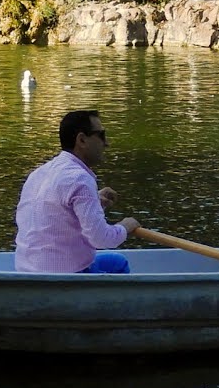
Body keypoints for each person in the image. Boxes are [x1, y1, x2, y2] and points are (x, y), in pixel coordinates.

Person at [15, 109, 138, 273]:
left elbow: (55, 211)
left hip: (27, 269)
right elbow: (100, 239)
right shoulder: (80, 179)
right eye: (101, 135)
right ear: (81, 140)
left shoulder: (39, 173)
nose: (106, 143)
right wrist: (125, 227)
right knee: (119, 265)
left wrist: (95, 201)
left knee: (116, 261)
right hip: (64, 275)